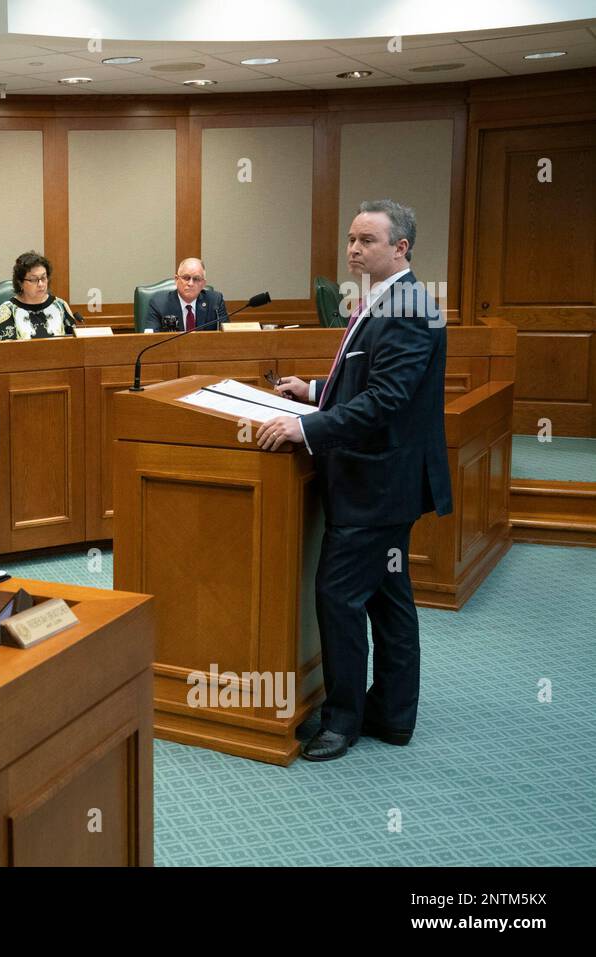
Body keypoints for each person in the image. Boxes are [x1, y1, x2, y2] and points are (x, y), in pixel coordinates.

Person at [255, 199, 452, 762]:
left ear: (401, 247)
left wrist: (305, 426)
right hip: (382, 479)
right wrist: (315, 390)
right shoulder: (384, 300)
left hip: (379, 483)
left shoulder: (411, 307)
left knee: (338, 596)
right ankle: (391, 713)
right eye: (350, 239)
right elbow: (367, 378)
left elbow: (387, 400)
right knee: (389, 597)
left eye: (366, 240)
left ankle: (343, 721)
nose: (353, 249)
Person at [0, 251, 75, 340]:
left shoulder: (60, 305)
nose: (40, 284)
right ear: (20, 283)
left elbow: (75, 343)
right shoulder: (8, 309)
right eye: (34, 279)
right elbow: (8, 350)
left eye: (43, 278)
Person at [143, 258, 229, 332]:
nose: (190, 283)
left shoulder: (215, 302)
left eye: (196, 279)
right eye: (186, 278)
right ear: (176, 280)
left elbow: (227, 336)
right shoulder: (159, 304)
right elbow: (151, 340)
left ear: (203, 284)